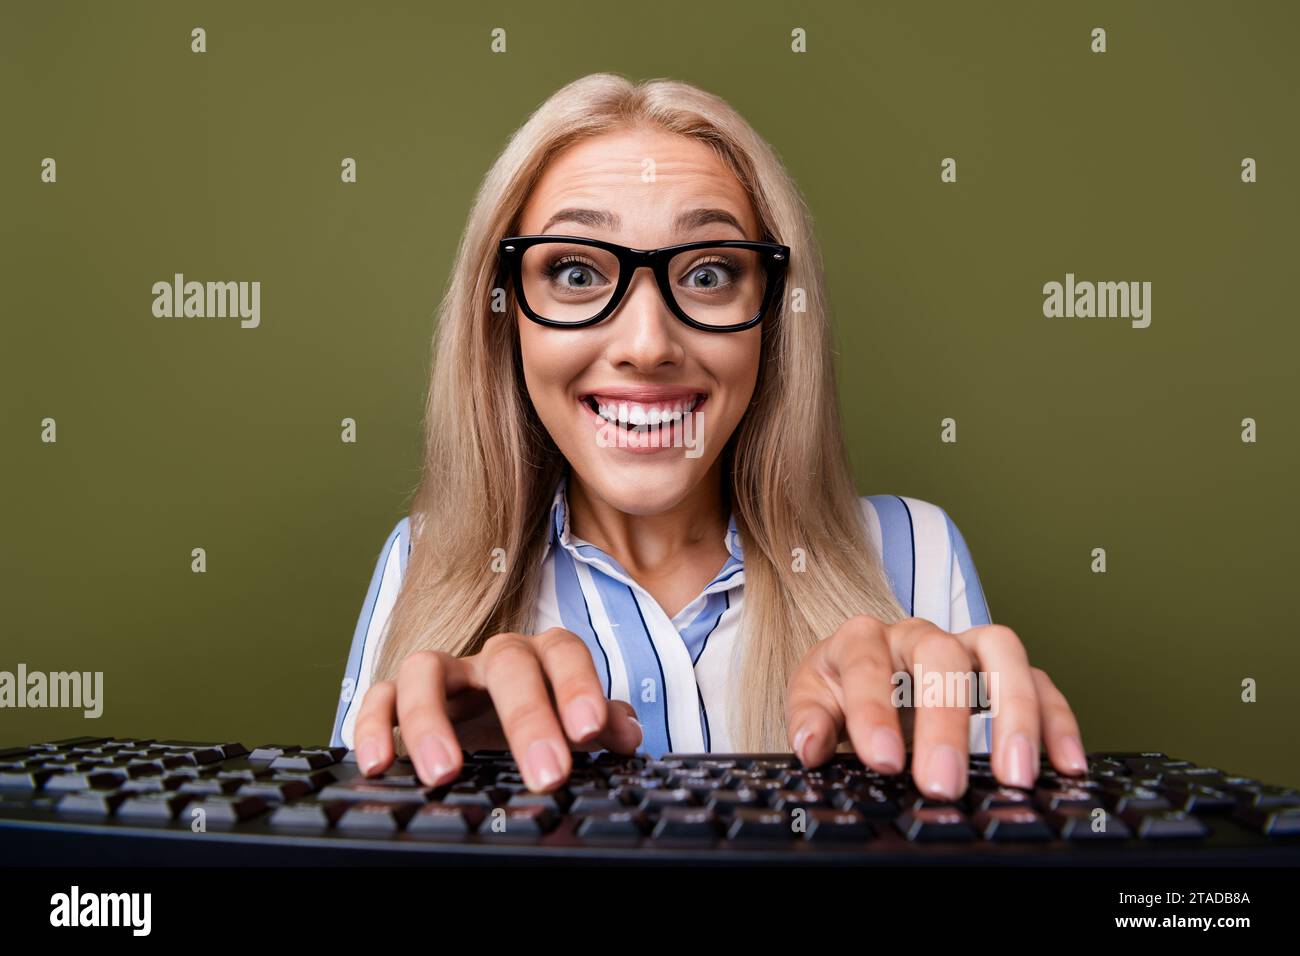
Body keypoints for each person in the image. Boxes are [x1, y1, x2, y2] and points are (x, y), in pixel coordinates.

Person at [329, 73, 1087, 802]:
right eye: (575, 272)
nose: (648, 344)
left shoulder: (916, 555)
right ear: (505, 315)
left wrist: (925, 789)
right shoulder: (421, 564)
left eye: (709, 274)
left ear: (775, 321)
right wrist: (452, 813)